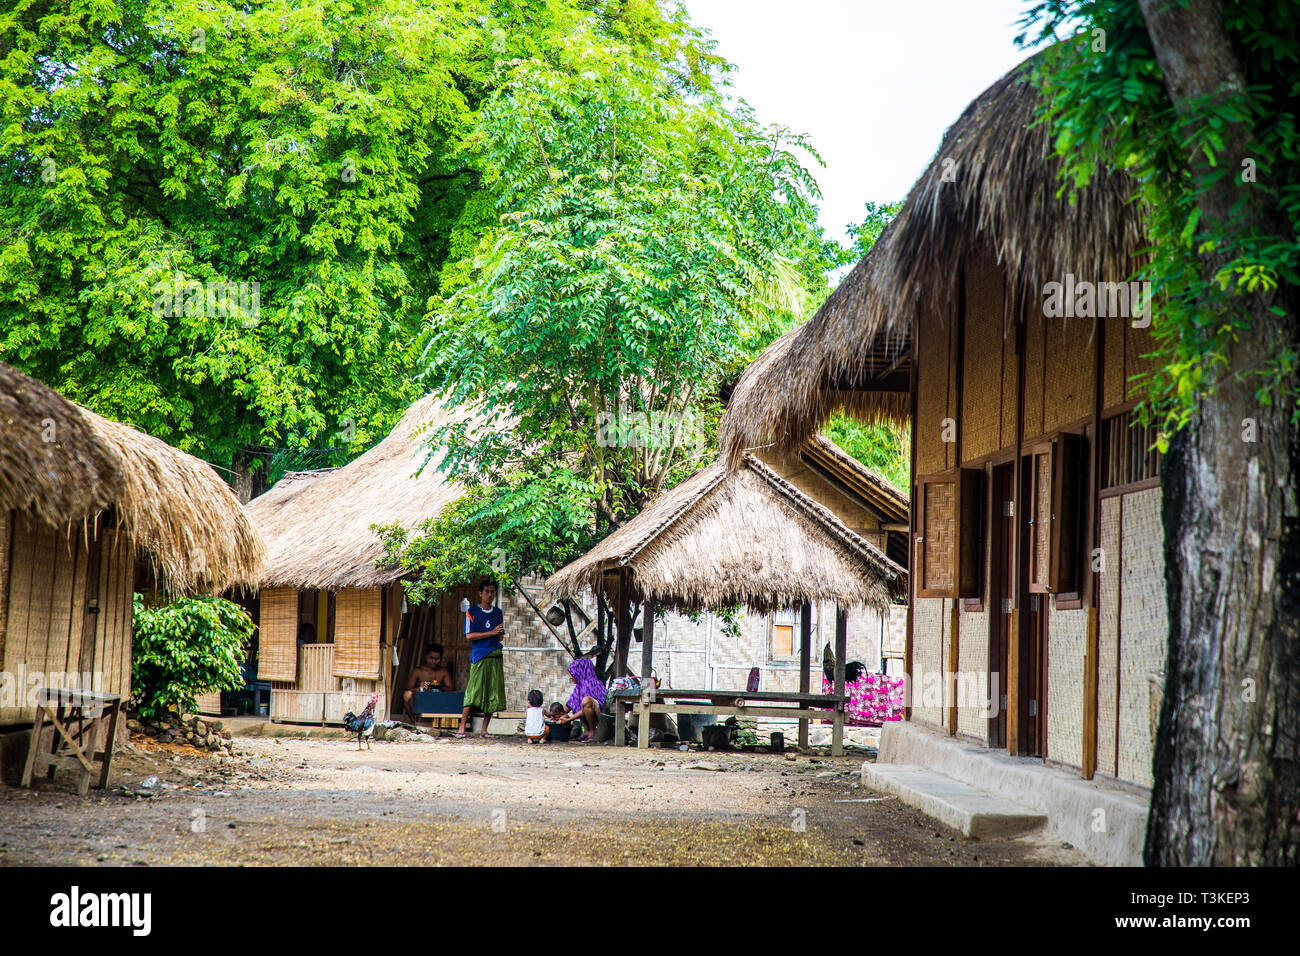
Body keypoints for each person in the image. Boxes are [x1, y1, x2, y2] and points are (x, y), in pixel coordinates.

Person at [456, 579, 507, 739]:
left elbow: (500, 638)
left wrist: (498, 633)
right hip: (479, 656)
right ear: (480, 593)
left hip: (495, 655)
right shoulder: (471, 612)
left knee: (492, 692)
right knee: (473, 691)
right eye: (487, 591)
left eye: (492, 592)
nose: (490, 595)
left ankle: (484, 730)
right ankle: (462, 727)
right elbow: (469, 636)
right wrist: (491, 632)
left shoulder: (498, 612)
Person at [555, 658, 605, 743]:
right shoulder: (579, 687)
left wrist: (568, 720)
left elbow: (586, 708)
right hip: (586, 711)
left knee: (586, 701)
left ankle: (592, 732)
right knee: (579, 702)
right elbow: (569, 706)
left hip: (599, 715)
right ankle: (586, 731)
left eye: (573, 674)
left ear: (580, 672)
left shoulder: (591, 683)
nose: (571, 677)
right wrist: (556, 715)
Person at [403, 644, 455, 713]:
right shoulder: (418, 671)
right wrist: (420, 688)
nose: (433, 661)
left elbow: (452, 689)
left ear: (441, 658)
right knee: (407, 694)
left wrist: (439, 687)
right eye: (431, 658)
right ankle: (414, 722)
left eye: (437, 659)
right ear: (426, 657)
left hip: (438, 700)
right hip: (421, 700)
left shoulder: (444, 672)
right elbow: (408, 689)